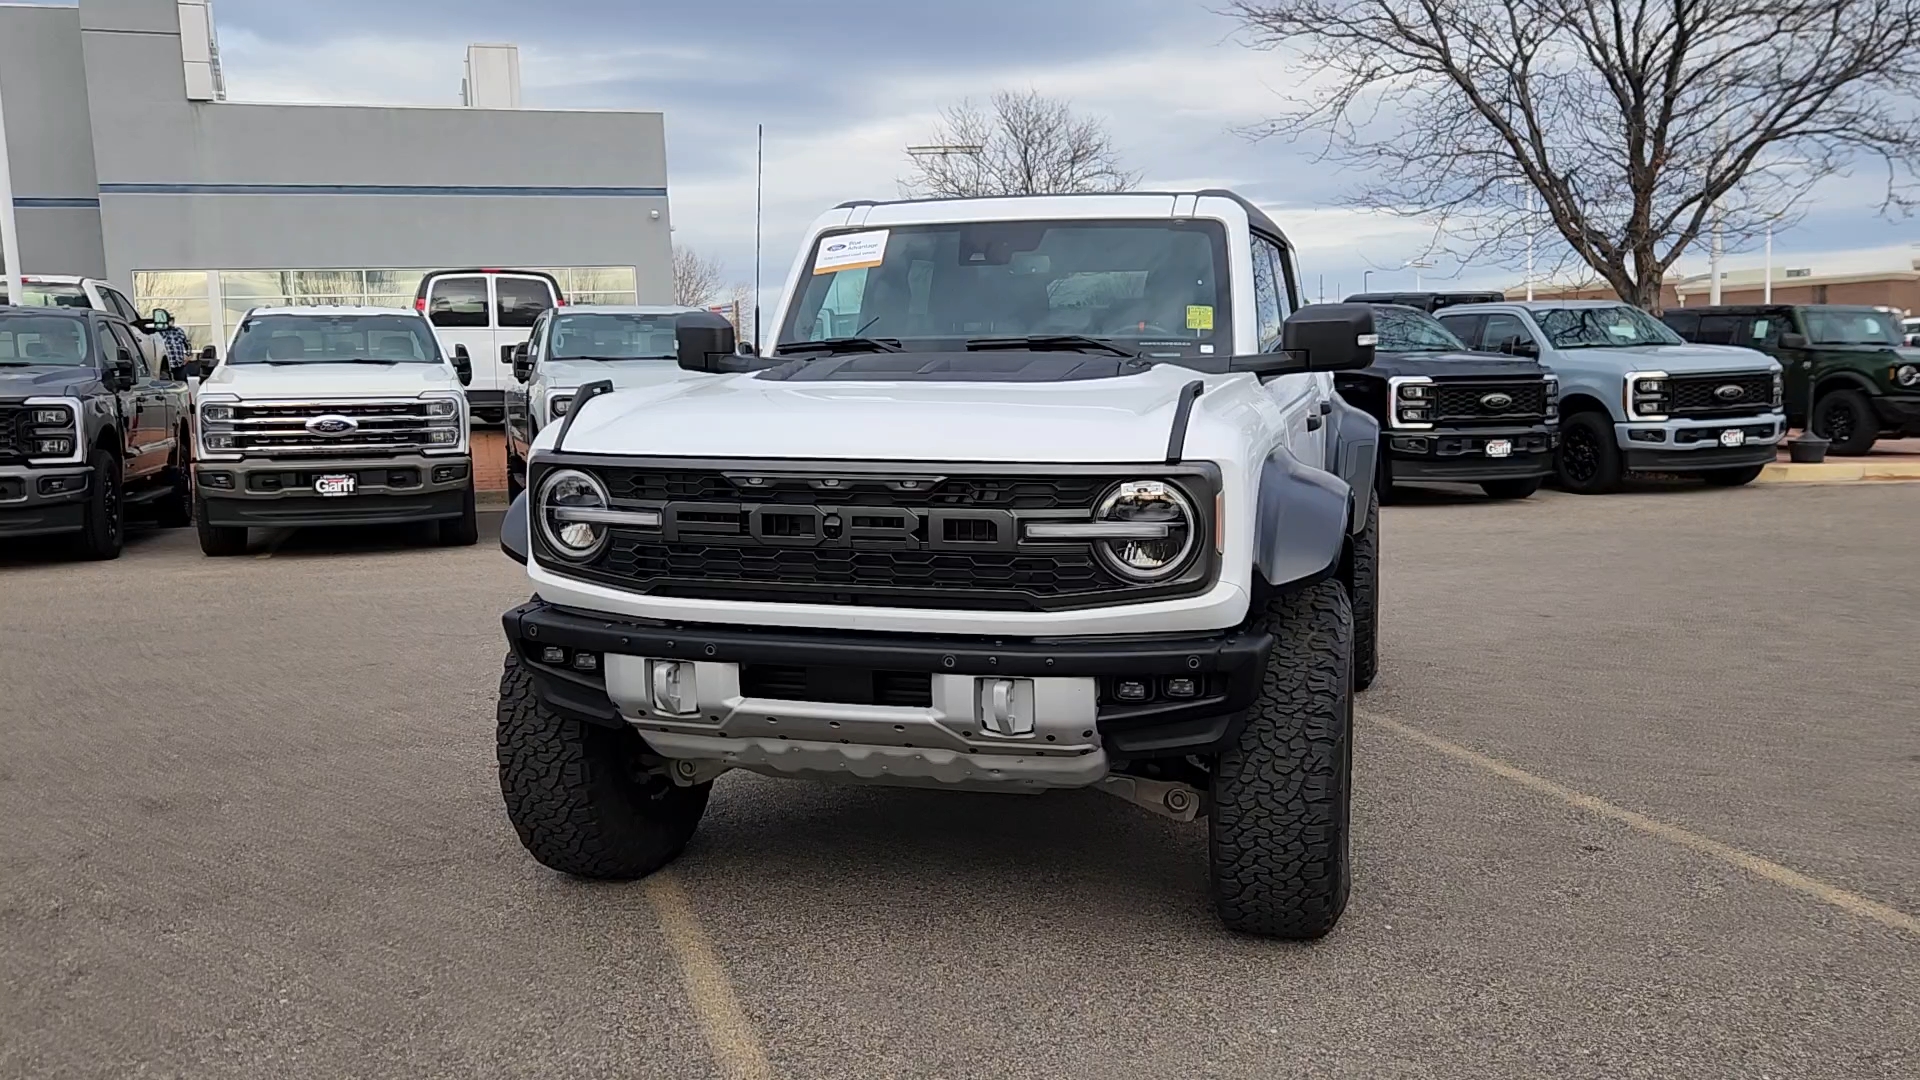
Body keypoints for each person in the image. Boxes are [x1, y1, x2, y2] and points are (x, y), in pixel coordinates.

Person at [150, 309, 192, 374]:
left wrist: (187, 355)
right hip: (165, 368)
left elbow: (187, 344)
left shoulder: (178, 331)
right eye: (170, 320)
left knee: (181, 379)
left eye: (172, 320)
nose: (172, 322)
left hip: (180, 366)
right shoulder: (157, 333)